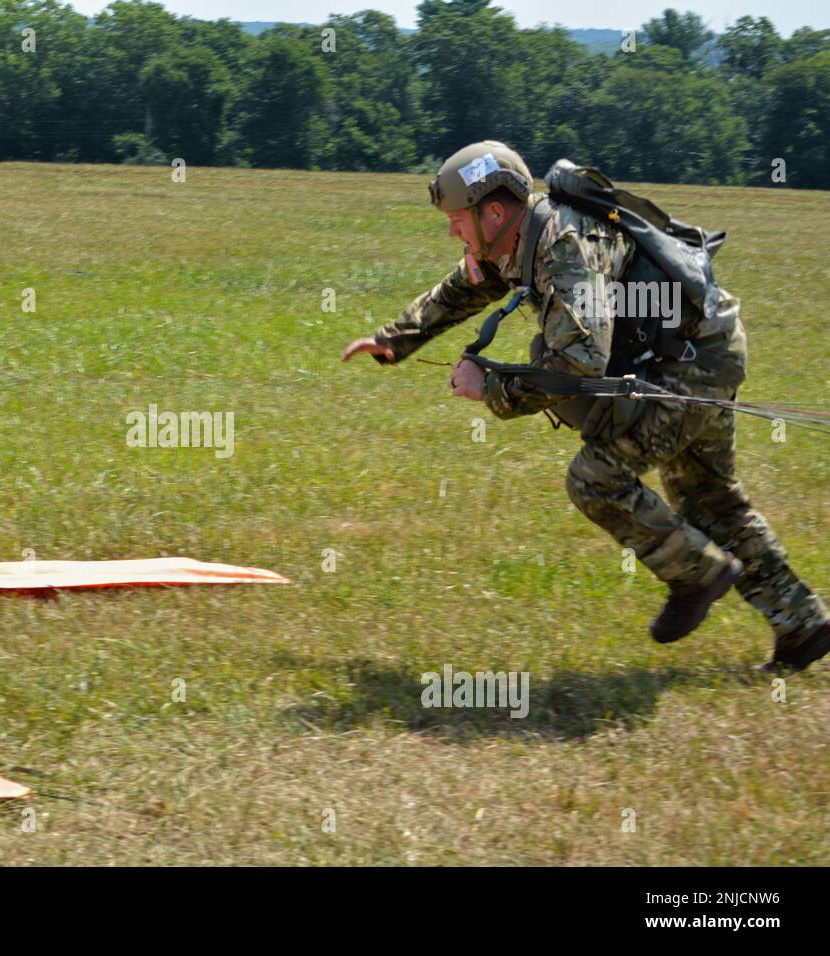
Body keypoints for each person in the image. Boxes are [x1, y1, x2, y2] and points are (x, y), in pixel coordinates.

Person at [343, 140, 829, 672]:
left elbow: (579, 363)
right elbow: (466, 288)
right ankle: (802, 626)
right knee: (710, 499)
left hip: (694, 364)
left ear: (495, 211)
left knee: (596, 479)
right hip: (698, 345)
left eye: (458, 220)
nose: (453, 232)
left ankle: (697, 574)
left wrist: (492, 389)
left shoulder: (565, 248)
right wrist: (397, 339)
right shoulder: (513, 240)